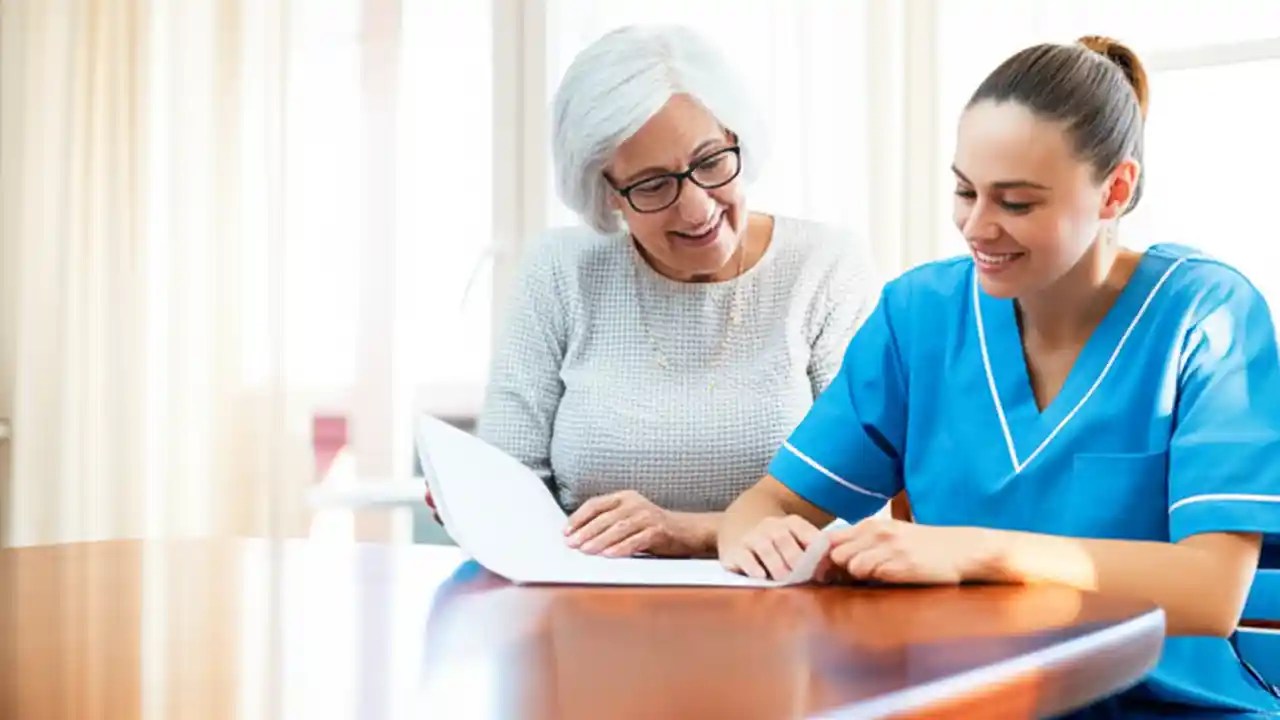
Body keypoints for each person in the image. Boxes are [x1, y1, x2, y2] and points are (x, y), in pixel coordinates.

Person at [719, 35, 1280, 718]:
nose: (976, 227)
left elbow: (1210, 593)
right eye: (964, 190)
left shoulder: (1207, 315)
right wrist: (752, 533)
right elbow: (768, 504)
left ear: (1115, 191)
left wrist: (975, 553)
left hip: (1165, 705)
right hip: (965, 698)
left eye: (1016, 203)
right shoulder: (918, 314)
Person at [424, 24, 881, 559]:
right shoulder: (559, 270)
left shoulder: (826, 266)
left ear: (738, 137)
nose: (697, 209)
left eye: (710, 162)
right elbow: (511, 480)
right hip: (586, 601)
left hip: (778, 601)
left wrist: (687, 531)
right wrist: (480, 500)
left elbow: (860, 493)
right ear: (607, 192)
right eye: (652, 185)